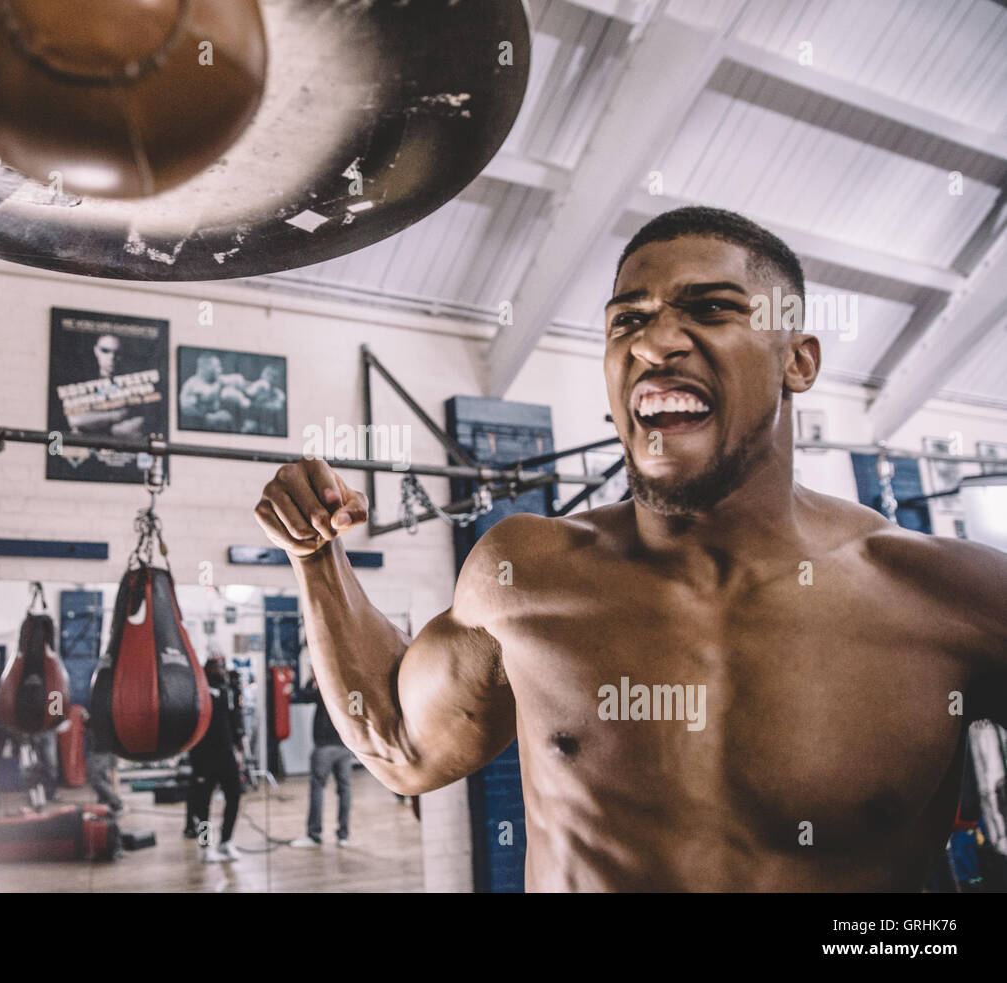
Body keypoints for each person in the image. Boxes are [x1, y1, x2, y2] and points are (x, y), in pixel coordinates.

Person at [252, 205, 1007, 892]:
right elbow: (401, 745)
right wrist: (314, 556)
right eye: (626, 321)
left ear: (798, 360)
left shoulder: (950, 598)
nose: (654, 342)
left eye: (711, 308)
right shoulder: (526, 576)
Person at [187, 656, 245, 862]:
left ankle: (226, 841)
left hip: (225, 754)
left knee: (235, 796)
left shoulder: (227, 690)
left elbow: (234, 717)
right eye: (215, 667)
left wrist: (239, 745)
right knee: (203, 804)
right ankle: (205, 846)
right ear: (206, 670)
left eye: (221, 666)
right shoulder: (198, 691)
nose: (219, 670)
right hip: (203, 756)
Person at [290, 673, 354, 848]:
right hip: (344, 744)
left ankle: (314, 834)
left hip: (326, 744)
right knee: (345, 790)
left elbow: (304, 695)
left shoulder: (327, 680)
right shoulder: (347, 680)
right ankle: (343, 835)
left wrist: (313, 677)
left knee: (318, 788)